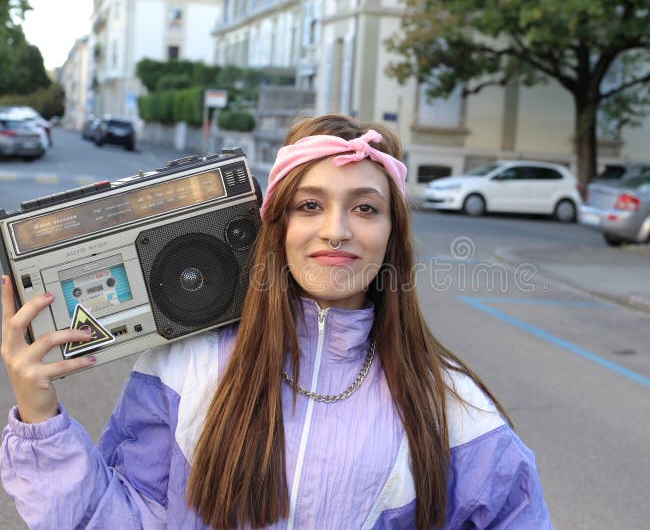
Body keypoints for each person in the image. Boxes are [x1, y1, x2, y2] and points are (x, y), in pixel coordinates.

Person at [1, 114, 552, 529]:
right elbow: (116, 516)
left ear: (392, 235)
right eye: (310, 205)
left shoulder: (449, 404)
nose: (336, 230)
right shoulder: (187, 364)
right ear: (277, 225)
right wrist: (39, 415)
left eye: (365, 208)